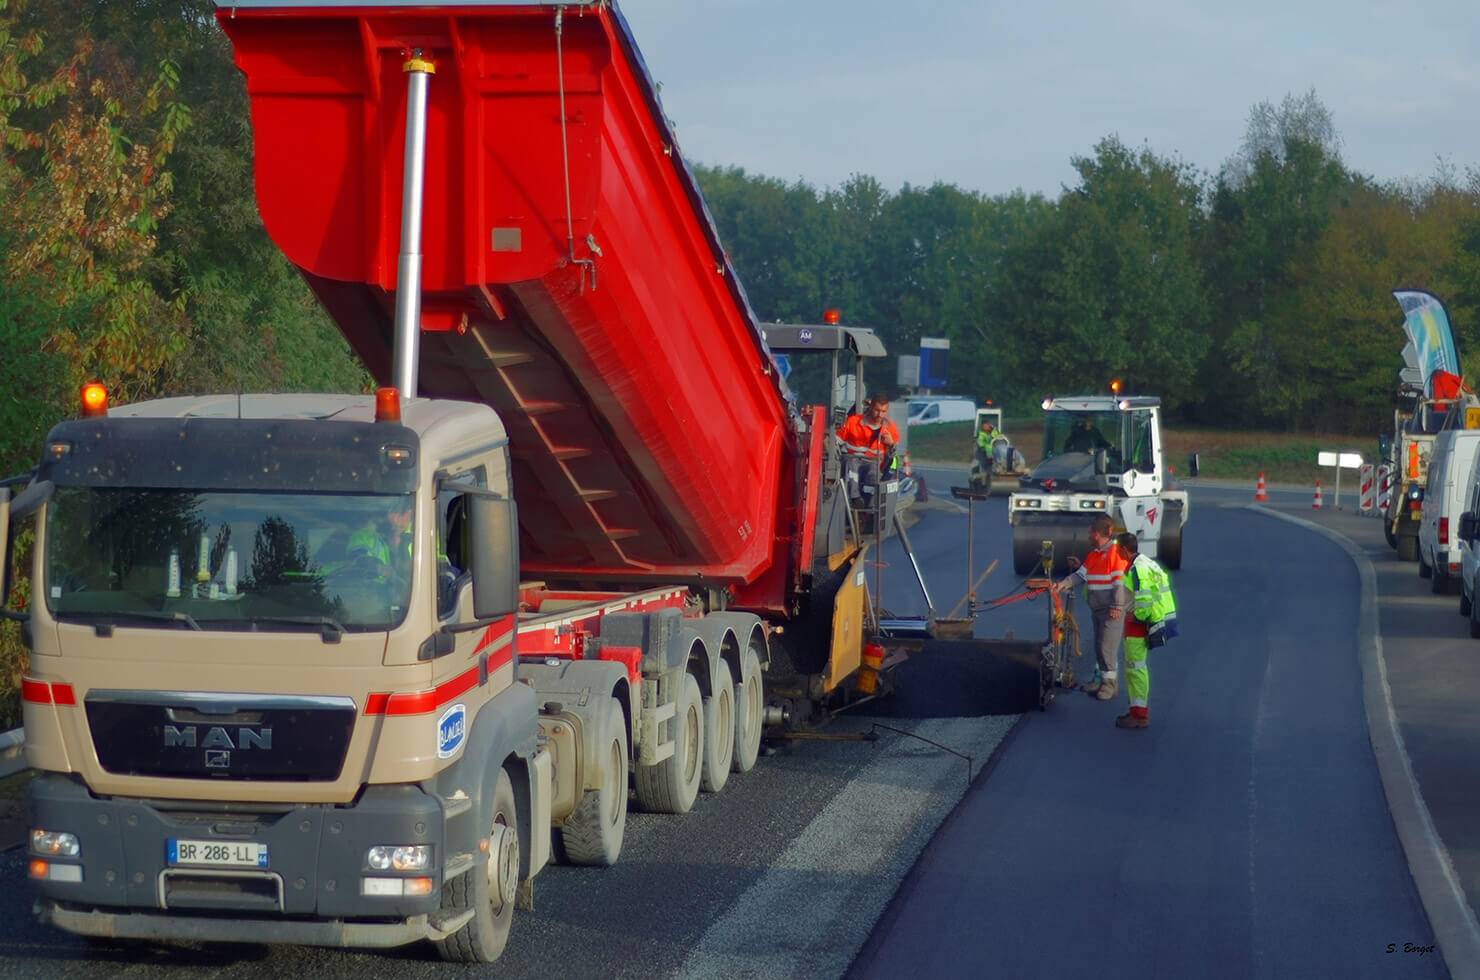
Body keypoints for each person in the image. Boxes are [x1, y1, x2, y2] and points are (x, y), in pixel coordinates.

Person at [1051, 514, 1130, 701]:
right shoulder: (1095, 554)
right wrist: (1063, 584)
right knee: (1099, 645)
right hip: (1098, 608)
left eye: (1091, 533)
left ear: (1098, 534)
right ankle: (1102, 681)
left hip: (1112, 609)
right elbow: (1082, 575)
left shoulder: (1115, 553)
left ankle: (1110, 685)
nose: (1088, 536)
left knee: (1107, 647)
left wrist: (1117, 606)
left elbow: (1119, 583)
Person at [1113, 531, 1178, 729]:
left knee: (1135, 668)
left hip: (1139, 624)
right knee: (1136, 668)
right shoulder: (1146, 563)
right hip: (1152, 619)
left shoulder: (1137, 569)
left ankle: (1139, 714)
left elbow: (1143, 598)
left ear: (1124, 549)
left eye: (1118, 550)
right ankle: (1136, 710)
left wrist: (1138, 617)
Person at [837, 392, 900, 503]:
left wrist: (891, 443)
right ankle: (855, 499)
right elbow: (835, 441)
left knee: (874, 475)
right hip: (852, 459)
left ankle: (869, 504)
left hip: (874, 463)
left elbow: (893, 453)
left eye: (883, 411)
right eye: (877, 410)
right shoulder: (853, 422)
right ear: (870, 407)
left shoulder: (890, 428)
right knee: (852, 467)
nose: (879, 415)